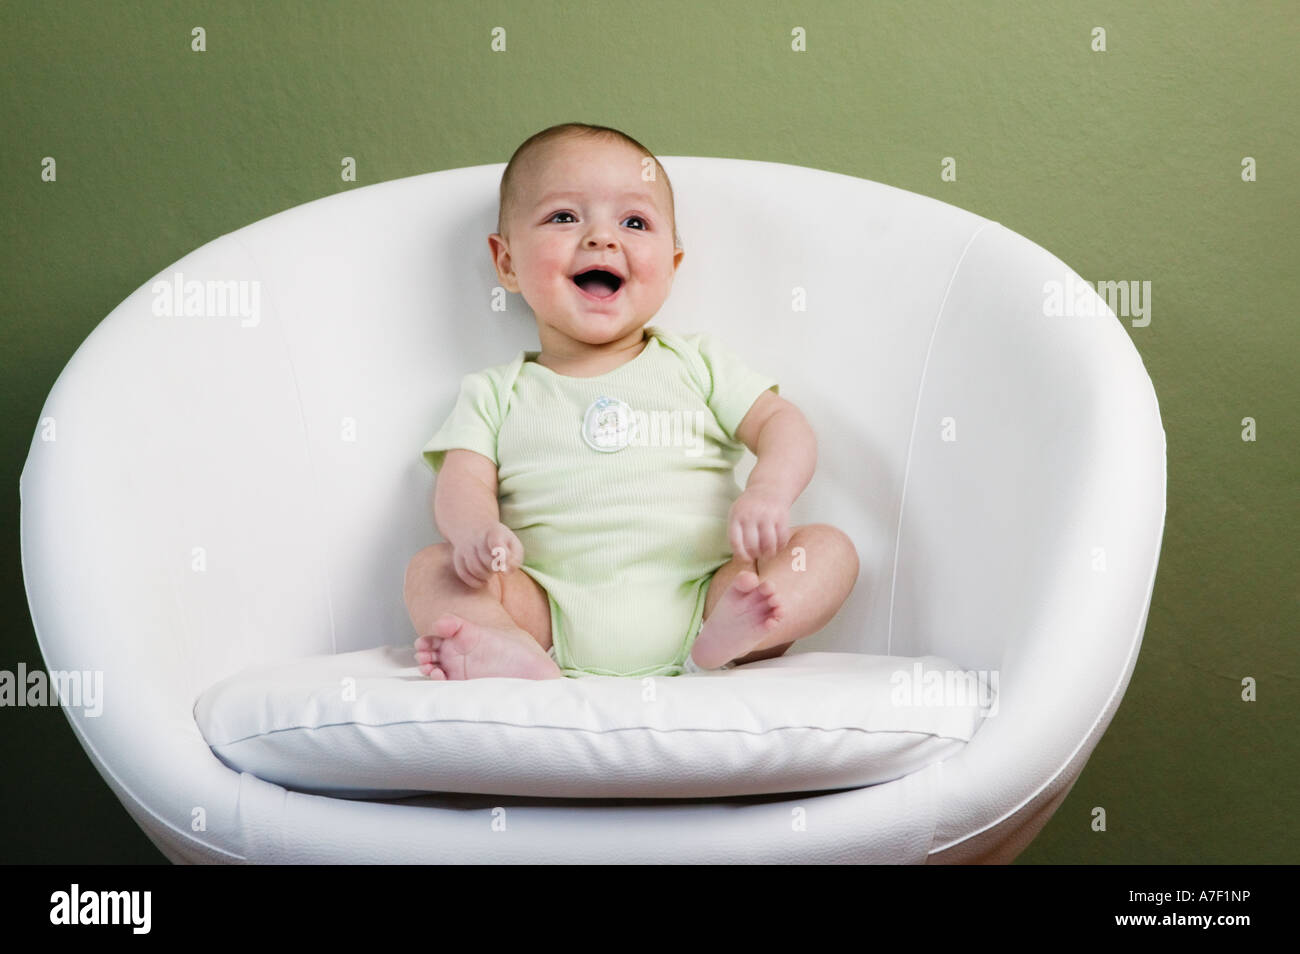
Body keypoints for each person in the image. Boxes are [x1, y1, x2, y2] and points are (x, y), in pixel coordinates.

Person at [404, 122, 859, 679]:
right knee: (432, 569)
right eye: (564, 217)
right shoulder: (496, 392)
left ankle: (722, 645)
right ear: (507, 263)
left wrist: (770, 491)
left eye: (634, 222)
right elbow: (461, 481)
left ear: (671, 263)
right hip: (547, 612)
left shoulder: (698, 364)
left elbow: (782, 424)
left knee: (828, 551)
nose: (601, 238)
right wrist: (475, 533)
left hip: (709, 597)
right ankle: (506, 645)